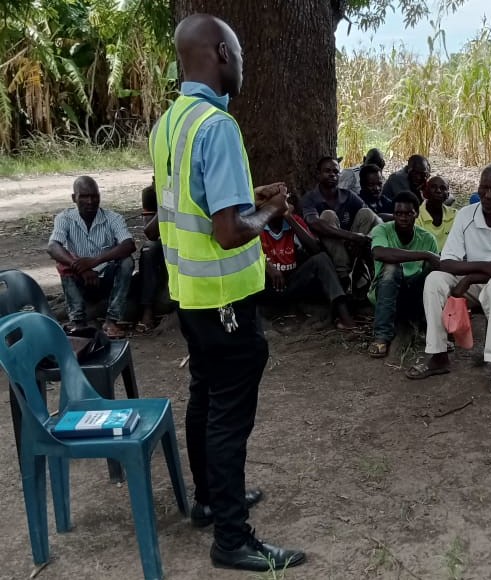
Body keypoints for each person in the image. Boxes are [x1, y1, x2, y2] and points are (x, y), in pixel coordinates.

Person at [149, 14, 305, 571]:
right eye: (238, 54)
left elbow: (194, 207)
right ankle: (232, 538)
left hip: (188, 293)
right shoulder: (217, 127)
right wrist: (269, 210)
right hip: (223, 297)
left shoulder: (168, 123)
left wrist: (249, 200)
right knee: (228, 415)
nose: (241, 64)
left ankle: (211, 501)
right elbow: (227, 230)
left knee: (206, 394)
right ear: (220, 53)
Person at [405, 162, 491, 394]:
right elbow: (446, 262)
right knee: (435, 279)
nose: (487, 195)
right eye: (483, 187)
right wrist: (485, 268)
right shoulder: (466, 215)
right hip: (478, 281)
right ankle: (437, 355)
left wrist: (468, 277)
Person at [47, 175, 135, 338]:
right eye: (84, 197)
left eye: (94, 196)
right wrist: (81, 267)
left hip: (107, 280)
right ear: (74, 198)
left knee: (127, 262)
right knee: (62, 263)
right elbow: (52, 247)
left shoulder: (113, 218)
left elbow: (129, 245)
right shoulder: (64, 218)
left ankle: (112, 321)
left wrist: (94, 261)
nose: (90, 201)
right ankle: (78, 321)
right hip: (80, 278)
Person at [261, 196, 356, 328]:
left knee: (321, 259)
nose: (282, 206)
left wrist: (289, 218)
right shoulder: (257, 226)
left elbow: (315, 249)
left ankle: (344, 316)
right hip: (267, 285)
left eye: (285, 202)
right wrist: (267, 265)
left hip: (292, 282)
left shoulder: (294, 221)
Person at [368, 191, 440, 358]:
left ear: (416, 213)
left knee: (433, 273)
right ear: (393, 214)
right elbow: (379, 253)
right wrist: (424, 254)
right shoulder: (381, 230)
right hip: (386, 293)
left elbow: (436, 267)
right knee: (391, 267)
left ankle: (429, 329)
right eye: (399, 213)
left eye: (409, 213)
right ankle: (382, 336)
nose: (403, 218)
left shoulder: (427, 238)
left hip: (413, 295)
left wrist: (428, 257)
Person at [302, 156, 381, 288]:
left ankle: (357, 268)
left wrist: (363, 239)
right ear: (318, 174)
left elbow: (373, 218)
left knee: (366, 214)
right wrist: (352, 236)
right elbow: (314, 223)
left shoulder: (347, 195)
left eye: (336, 171)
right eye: (327, 171)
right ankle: (344, 276)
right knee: (328, 216)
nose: (332, 174)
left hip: (351, 247)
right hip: (326, 252)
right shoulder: (310, 198)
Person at [137, 177, 168, 332]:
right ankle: (147, 310)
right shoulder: (150, 194)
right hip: (165, 242)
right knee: (149, 249)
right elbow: (151, 233)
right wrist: (167, 204)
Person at [416, 175, 457, 250]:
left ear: (447, 195)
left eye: (443, 188)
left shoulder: (454, 215)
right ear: (425, 193)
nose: (438, 191)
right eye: (433, 187)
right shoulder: (416, 216)